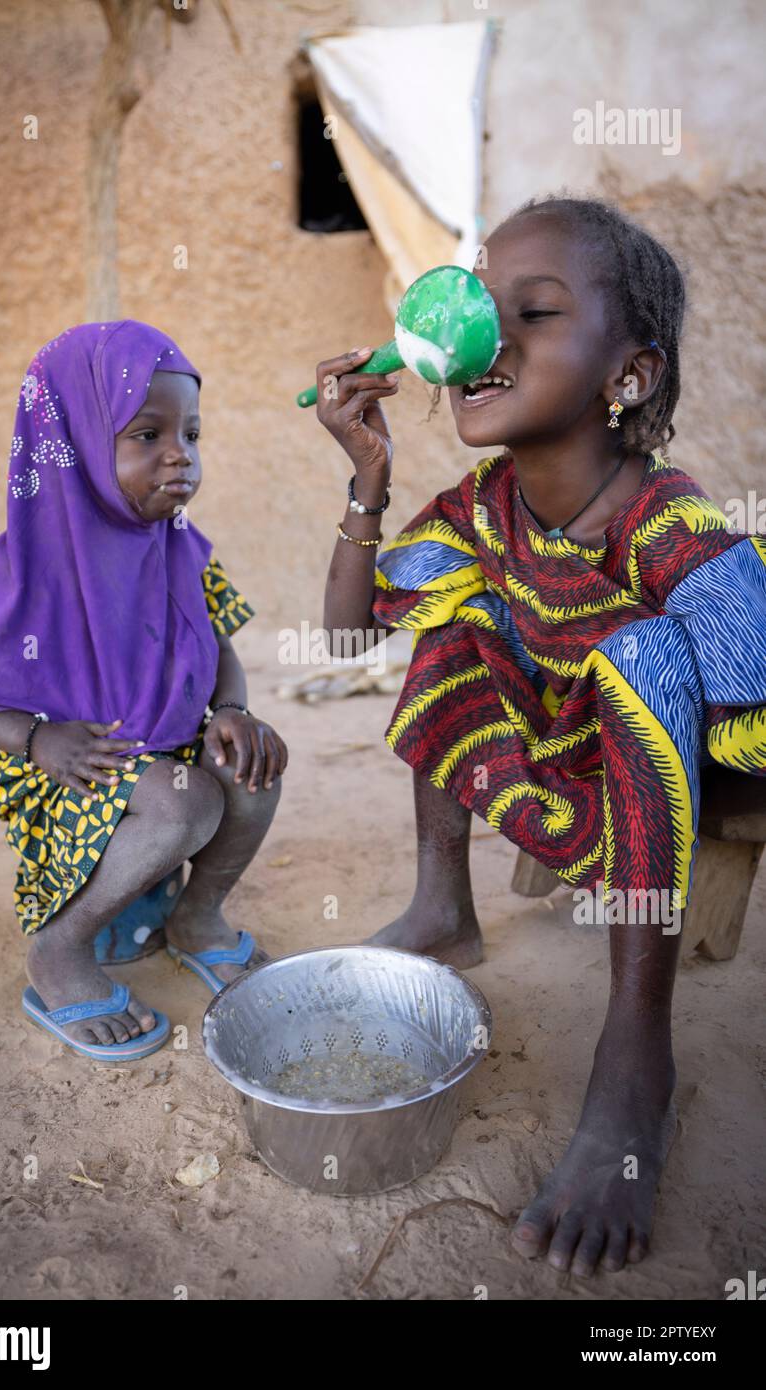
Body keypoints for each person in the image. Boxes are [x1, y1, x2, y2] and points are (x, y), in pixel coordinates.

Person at [315, 195, 766, 1276]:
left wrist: (618, 641)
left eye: (537, 313)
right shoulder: (483, 509)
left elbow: (749, 687)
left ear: (630, 377)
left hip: (663, 784)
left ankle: (634, 1050)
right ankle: (443, 904)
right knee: (454, 618)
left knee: (644, 654)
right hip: (551, 758)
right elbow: (342, 636)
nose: (485, 337)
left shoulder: (675, 525)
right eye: (479, 306)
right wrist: (367, 478)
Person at [0, 321, 287, 1062]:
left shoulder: (180, 545)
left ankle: (196, 919)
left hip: (161, 752)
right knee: (186, 800)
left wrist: (231, 712)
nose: (179, 454)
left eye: (192, 433)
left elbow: (221, 647)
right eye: (146, 435)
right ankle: (58, 953)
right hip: (68, 770)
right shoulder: (29, 569)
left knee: (252, 767)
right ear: (76, 442)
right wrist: (35, 737)